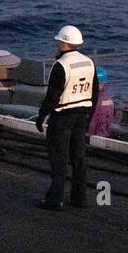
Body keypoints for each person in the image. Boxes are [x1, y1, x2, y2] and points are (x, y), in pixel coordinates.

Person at [35, 24, 97, 210]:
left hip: (62, 117)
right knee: (79, 157)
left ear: (64, 43)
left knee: (59, 158)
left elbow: (53, 95)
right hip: (82, 115)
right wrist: (89, 116)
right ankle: (79, 198)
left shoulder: (61, 65)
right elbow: (94, 94)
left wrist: (41, 116)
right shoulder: (89, 62)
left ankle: (55, 200)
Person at [88, 67, 115, 139]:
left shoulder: (95, 99)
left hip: (92, 135)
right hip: (105, 134)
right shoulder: (109, 97)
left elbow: (92, 121)